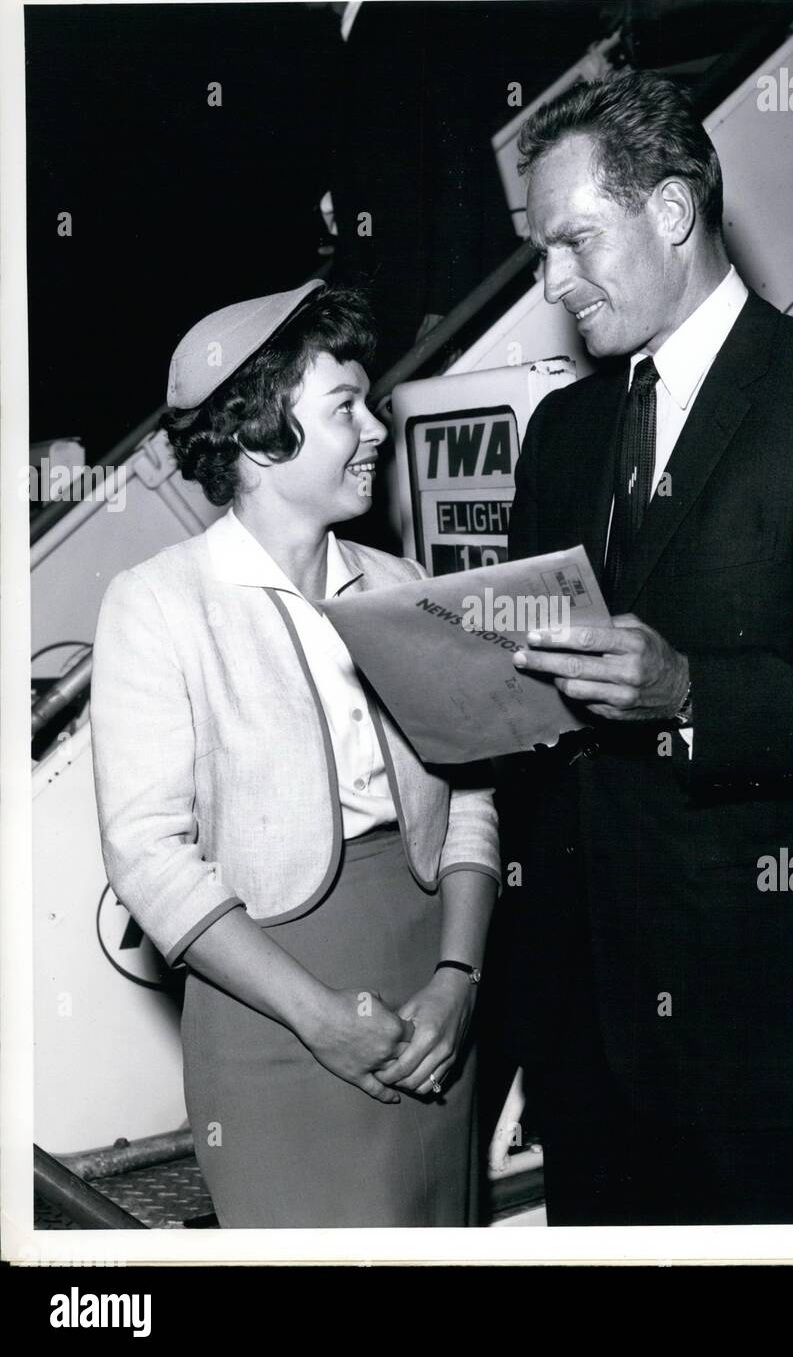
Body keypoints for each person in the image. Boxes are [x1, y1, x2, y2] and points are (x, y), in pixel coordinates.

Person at [500, 71, 793, 1225]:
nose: (554, 283)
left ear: (670, 209)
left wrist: (691, 693)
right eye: (537, 254)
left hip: (768, 1063)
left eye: (573, 242)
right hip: (587, 1056)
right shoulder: (562, 431)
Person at [91, 281, 500, 1227]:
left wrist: (459, 979)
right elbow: (148, 857)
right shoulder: (158, 605)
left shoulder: (405, 586)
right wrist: (316, 1015)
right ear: (257, 436)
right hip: (270, 1018)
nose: (376, 431)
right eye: (343, 408)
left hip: (433, 991)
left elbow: (471, 793)